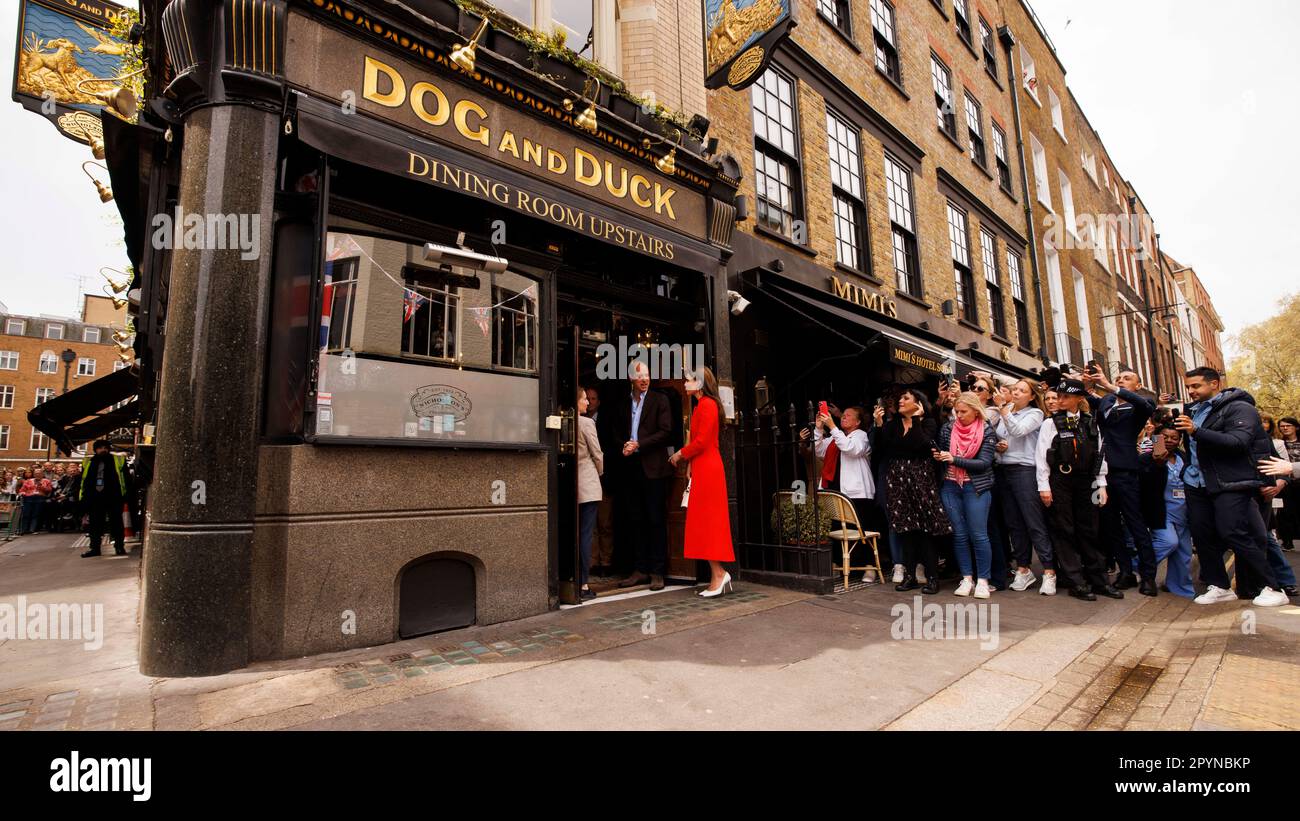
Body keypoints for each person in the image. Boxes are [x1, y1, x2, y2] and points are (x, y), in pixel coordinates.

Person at [1173, 367, 1287, 606]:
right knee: (1203, 536)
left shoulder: (1240, 407)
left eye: (1196, 386)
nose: (1190, 391)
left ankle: (1272, 587)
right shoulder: (1193, 411)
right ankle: (1220, 586)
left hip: (1230, 481)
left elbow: (1238, 442)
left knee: (1232, 531)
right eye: (1188, 387)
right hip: (1196, 481)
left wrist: (1196, 430)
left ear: (1214, 384)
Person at [1035, 379, 1122, 601]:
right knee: (1065, 530)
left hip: (1087, 481)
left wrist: (1101, 484)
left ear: (1079, 398)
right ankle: (1076, 582)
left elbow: (1100, 455)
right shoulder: (1050, 423)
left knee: (1091, 530)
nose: (1060, 401)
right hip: (1060, 480)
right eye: (1058, 396)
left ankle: (1100, 581)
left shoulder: (1090, 422)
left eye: (1065, 397)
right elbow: (1042, 457)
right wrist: (1044, 486)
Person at [1083, 367, 1159, 596]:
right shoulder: (1106, 402)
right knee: (1110, 525)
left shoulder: (1140, 405)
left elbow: (1147, 407)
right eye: (1118, 378)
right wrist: (1086, 384)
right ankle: (1125, 572)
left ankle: (1148, 577)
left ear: (1138, 385)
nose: (1121, 381)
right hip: (1101, 473)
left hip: (1125, 472)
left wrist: (1109, 385)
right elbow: (1087, 398)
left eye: (1127, 379)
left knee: (1136, 524)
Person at [876, 388, 952, 594]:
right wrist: (881, 426)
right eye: (900, 397)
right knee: (905, 528)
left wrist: (917, 421)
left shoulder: (928, 422)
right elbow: (888, 447)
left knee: (926, 528)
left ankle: (932, 578)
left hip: (921, 478)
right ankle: (909, 576)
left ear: (918, 403)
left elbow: (921, 445)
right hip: (897, 479)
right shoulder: (892, 425)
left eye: (906, 398)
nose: (900, 401)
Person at [670, 366, 735, 596]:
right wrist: (690, 465)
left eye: (688, 380)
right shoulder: (702, 405)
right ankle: (716, 574)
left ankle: (718, 574)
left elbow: (702, 441)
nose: (685, 383)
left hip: (708, 468)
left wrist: (680, 454)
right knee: (704, 522)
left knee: (708, 522)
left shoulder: (706, 405)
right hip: (703, 466)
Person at [613, 361, 674, 590]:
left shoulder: (661, 400)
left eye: (647, 375)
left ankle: (657, 572)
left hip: (654, 468)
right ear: (631, 378)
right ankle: (640, 569)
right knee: (635, 519)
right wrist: (625, 446)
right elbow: (615, 433)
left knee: (655, 520)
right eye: (640, 376)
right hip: (631, 468)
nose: (644, 379)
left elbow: (666, 431)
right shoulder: (623, 404)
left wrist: (639, 445)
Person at [934, 391, 999, 597]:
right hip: (951, 485)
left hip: (976, 487)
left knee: (978, 534)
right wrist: (939, 456)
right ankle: (966, 578)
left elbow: (984, 463)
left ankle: (983, 580)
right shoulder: (947, 429)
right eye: (956, 411)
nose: (959, 415)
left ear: (975, 411)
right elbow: (944, 455)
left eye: (963, 411)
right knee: (959, 535)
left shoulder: (986, 431)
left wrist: (953, 459)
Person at [996, 379, 1055, 594]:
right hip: (1005, 470)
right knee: (1014, 524)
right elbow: (1001, 437)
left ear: (1031, 396)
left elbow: (1019, 431)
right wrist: (998, 448)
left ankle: (1049, 571)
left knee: (1034, 522)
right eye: (1015, 389)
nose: (1017, 392)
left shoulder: (1035, 414)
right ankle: (1023, 569)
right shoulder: (1007, 411)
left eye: (1022, 390)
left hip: (1025, 471)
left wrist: (1004, 411)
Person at [814, 404, 882, 582]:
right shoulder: (837, 436)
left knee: (862, 531)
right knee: (838, 530)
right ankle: (838, 565)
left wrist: (832, 427)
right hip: (835, 490)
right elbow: (819, 450)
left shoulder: (861, 436)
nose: (843, 417)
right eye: (843, 415)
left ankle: (869, 568)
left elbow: (851, 449)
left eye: (849, 415)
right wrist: (819, 429)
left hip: (858, 492)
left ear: (858, 422)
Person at [1139, 425, 1195, 598]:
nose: (1170, 441)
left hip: (1183, 511)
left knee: (1184, 552)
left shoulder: (1184, 458)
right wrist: (1157, 464)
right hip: (1161, 511)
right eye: (1165, 437)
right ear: (1158, 438)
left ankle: (1178, 586)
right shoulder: (1146, 459)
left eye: (1174, 438)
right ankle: (1139, 565)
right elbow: (1144, 485)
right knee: (1169, 542)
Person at [575, 387, 604, 601]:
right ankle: (583, 583)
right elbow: (597, 453)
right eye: (584, 399)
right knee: (586, 535)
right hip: (588, 482)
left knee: (574, 534)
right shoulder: (586, 423)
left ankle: (573, 580)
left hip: (572, 484)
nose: (587, 403)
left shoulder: (566, 420)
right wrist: (600, 472)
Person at [79, 439, 128, 558]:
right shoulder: (89, 461)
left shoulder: (117, 460)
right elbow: (84, 480)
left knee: (116, 523)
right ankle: (95, 548)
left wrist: (125, 495)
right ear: (95, 450)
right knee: (95, 524)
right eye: (100, 448)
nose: (103, 450)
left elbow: (125, 478)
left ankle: (119, 546)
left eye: (105, 447)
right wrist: (84, 498)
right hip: (95, 497)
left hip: (113, 496)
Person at [1274, 417, 1300, 550]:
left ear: (1296, 427)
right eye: (1282, 426)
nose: (1285, 428)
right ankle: (1287, 541)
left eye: (1288, 425)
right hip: (1286, 482)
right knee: (1285, 512)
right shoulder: (1278, 443)